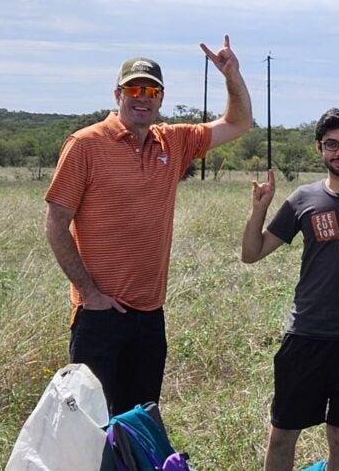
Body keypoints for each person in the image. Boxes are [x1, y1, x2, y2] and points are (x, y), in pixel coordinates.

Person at [44, 37, 251, 415]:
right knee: (91, 424)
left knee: (138, 421)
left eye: (151, 90)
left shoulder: (173, 141)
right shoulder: (85, 145)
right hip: (100, 315)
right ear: (117, 94)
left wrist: (231, 75)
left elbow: (239, 123)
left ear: (160, 97)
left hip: (150, 313)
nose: (142, 97)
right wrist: (89, 294)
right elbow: (56, 224)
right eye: (134, 89)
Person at [240, 108, 339, 471]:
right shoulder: (303, 198)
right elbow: (252, 254)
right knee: (283, 433)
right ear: (319, 148)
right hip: (306, 332)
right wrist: (259, 210)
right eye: (332, 144)